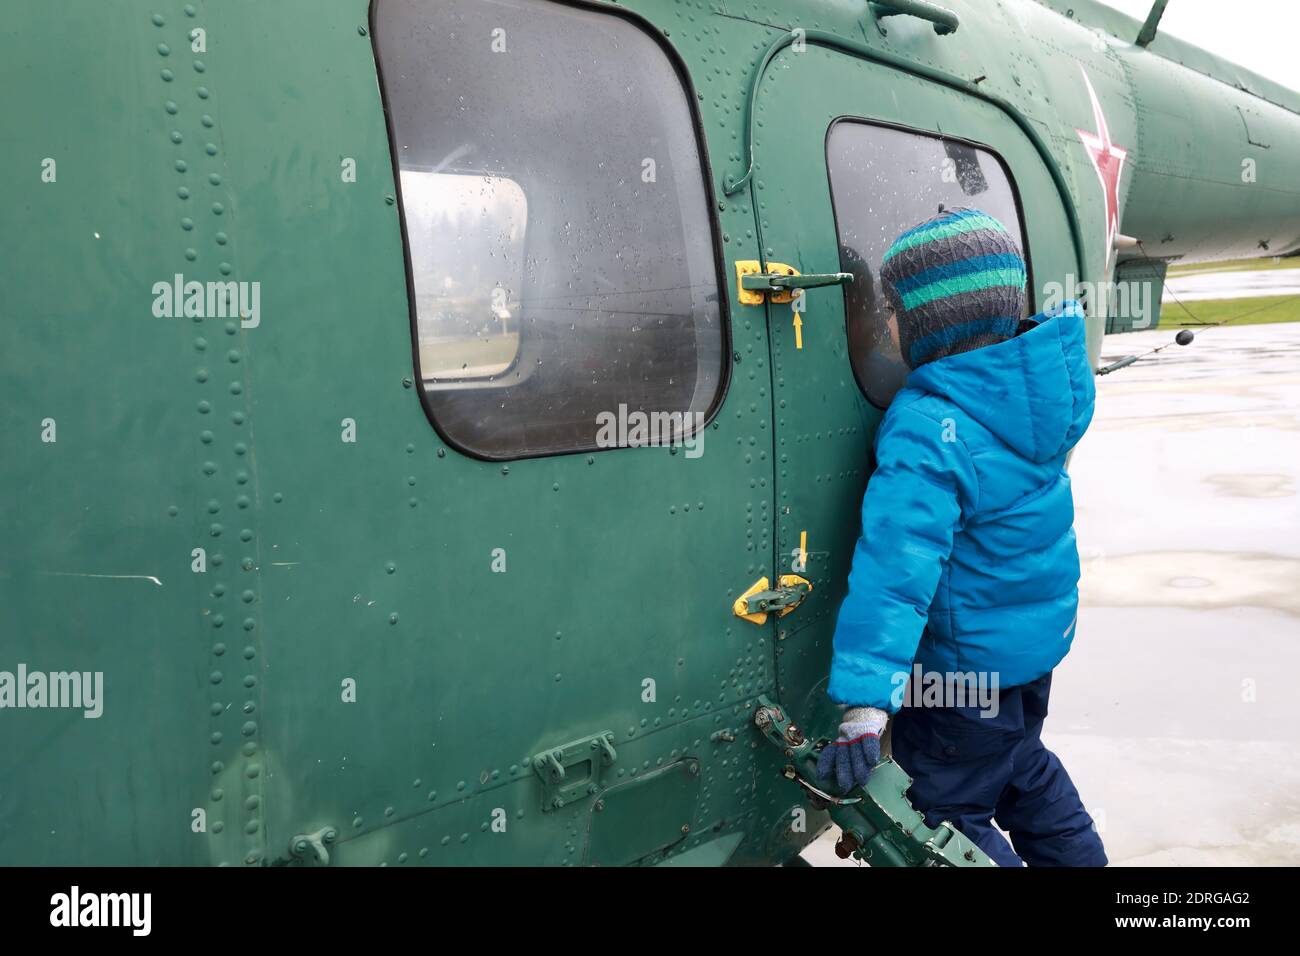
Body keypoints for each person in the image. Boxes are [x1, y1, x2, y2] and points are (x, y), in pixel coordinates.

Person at [817, 206, 1107, 867]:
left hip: (962, 676)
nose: (885, 323)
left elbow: (896, 571)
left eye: (892, 308)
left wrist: (865, 704)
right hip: (1031, 660)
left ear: (927, 323)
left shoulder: (929, 423)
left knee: (940, 814)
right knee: (1022, 768)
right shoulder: (1032, 397)